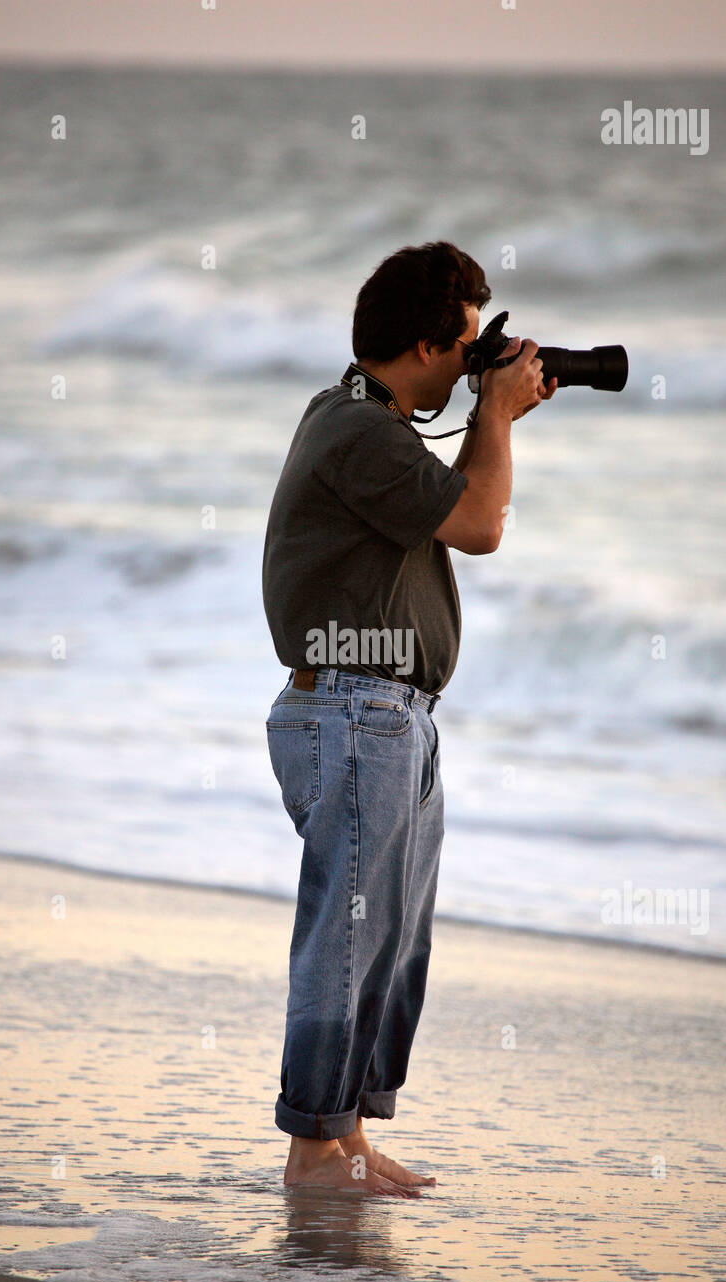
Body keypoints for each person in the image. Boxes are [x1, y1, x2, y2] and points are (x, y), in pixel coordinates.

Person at [261, 241, 556, 1197]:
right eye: (467, 345)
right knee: (347, 936)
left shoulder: (364, 420)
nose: (475, 361)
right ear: (427, 347)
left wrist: (488, 409)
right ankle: (313, 1149)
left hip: (387, 715)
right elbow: (481, 525)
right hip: (356, 710)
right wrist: (498, 412)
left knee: (388, 937)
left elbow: (460, 509)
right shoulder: (362, 434)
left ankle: (342, 1137)